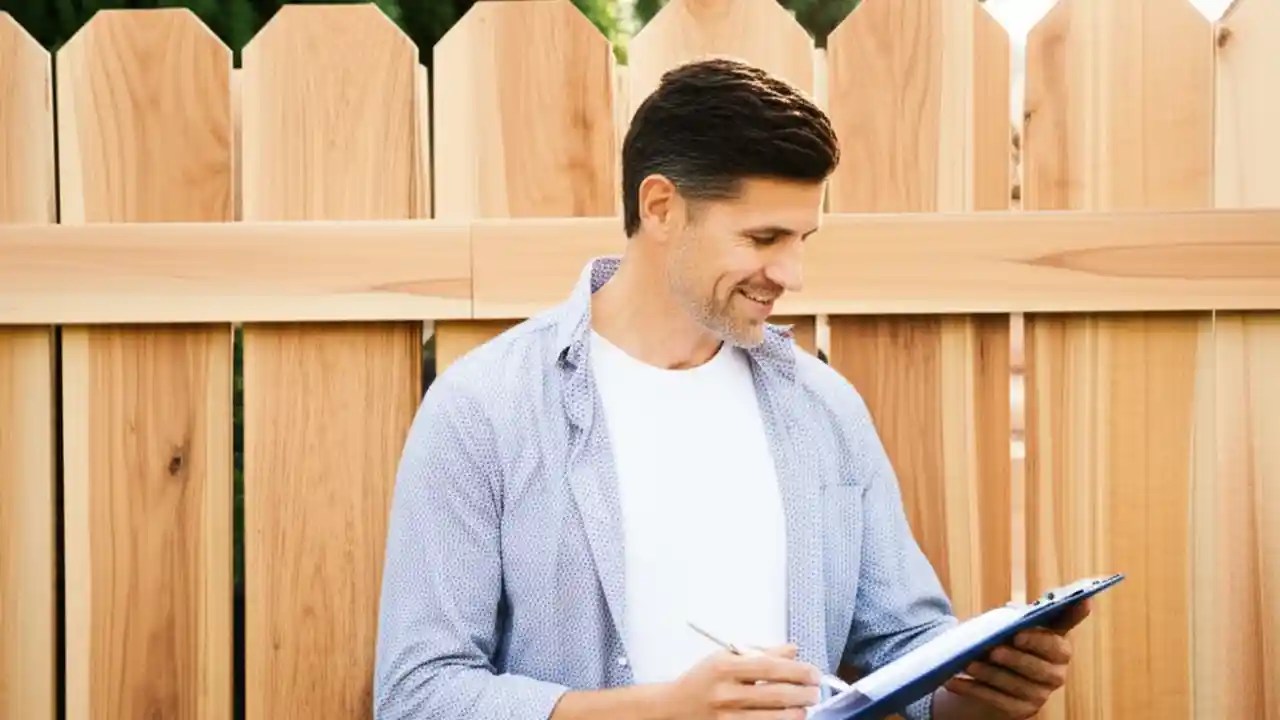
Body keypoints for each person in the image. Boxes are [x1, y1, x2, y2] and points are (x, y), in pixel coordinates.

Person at [373, 57, 1090, 720]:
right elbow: (418, 693)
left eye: (803, 240)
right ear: (660, 208)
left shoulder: (824, 407)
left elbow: (904, 646)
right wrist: (662, 712)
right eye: (762, 238)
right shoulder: (484, 409)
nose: (792, 275)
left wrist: (975, 694)